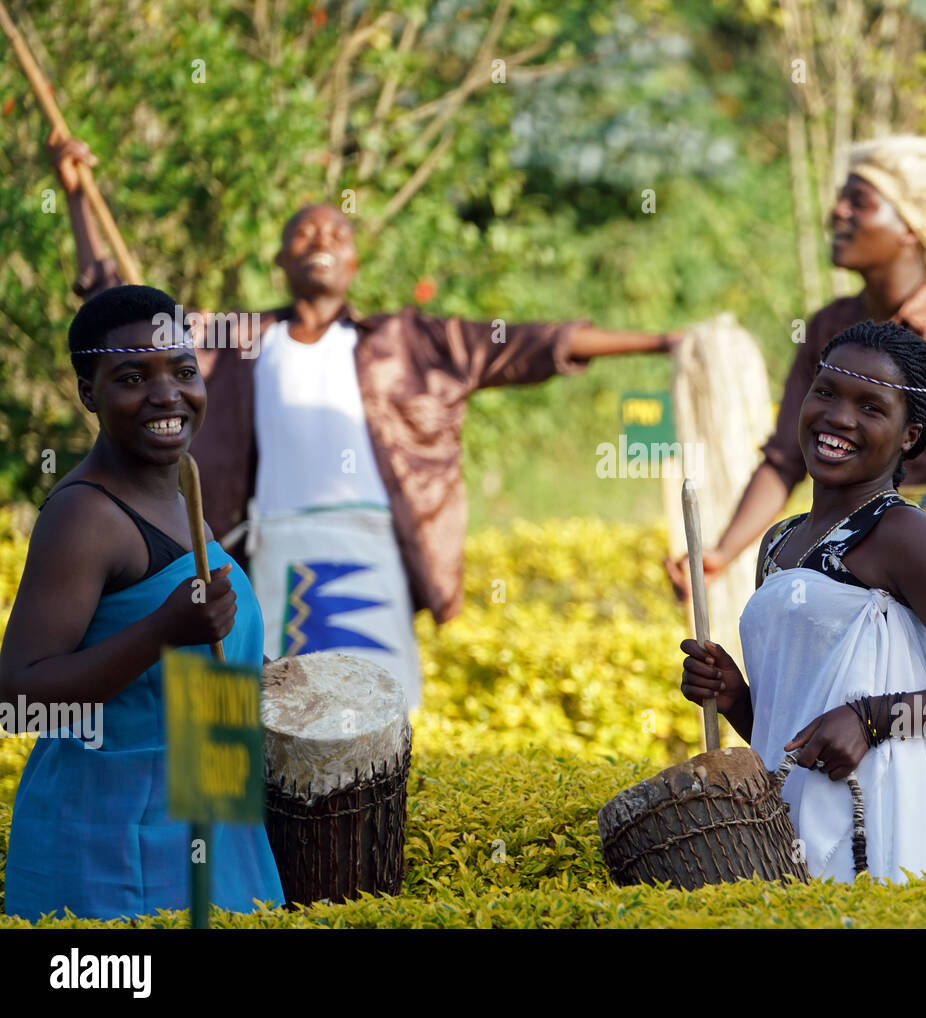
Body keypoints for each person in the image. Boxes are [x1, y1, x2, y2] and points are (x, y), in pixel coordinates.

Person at [50, 136, 684, 710]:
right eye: (304, 233)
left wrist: (660, 341)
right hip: (271, 548)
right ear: (279, 259)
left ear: (356, 265)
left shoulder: (408, 344)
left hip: (372, 551)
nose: (322, 240)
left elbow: (532, 343)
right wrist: (78, 197)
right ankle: (234, 831)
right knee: (261, 712)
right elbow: (122, 316)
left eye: (337, 233)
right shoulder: (239, 341)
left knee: (375, 721)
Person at [680, 320, 926, 891]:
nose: (839, 418)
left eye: (871, 407)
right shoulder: (779, 543)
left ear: (909, 437)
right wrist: (737, 699)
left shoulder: (904, 535)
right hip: (790, 830)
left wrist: (875, 718)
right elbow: (794, 735)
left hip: (885, 828)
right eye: (825, 392)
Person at [0, 285, 283, 920]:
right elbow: (16, 700)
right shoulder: (84, 517)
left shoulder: (187, 489)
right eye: (132, 376)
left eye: (183, 371)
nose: (166, 394)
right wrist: (163, 631)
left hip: (208, 829)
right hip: (119, 852)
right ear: (88, 392)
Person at [667, 135, 926, 597]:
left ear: (910, 227)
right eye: (840, 199)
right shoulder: (829, 326)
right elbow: (785, 458)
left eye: (860, 201)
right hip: (850, 567)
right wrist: (721, 553)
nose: (837, 212)